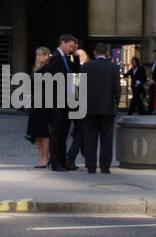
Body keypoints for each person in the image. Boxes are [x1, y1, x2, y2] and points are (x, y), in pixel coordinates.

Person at [82, 44, 121, 174]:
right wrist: (115, 103)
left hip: (89, 108)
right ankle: (105, 166)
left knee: (90, 138)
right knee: (106, 139)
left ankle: (91, 166)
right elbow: (117, 89)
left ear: (94, 52)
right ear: (107, 53)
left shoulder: (86, 66)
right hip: (108, 109)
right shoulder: (113, 67)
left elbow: (78, 87)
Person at [45, 33, 80, 170]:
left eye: (74, 47)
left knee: (64, 132)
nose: (72, 49)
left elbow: (77, 73)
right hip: (58, 101)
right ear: (63, 43)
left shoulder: (66, 58)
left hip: (66, 102)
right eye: (71, 46)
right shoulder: (55, 58)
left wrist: (76, 56)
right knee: (57, 133)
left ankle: (62, 160)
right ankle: (55, 162)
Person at [25, 47, 52, 168]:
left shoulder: (48, 69)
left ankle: (45, 157)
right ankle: (41, 157)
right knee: (37, 133)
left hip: (45, 104)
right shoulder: (37, 69)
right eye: (36, 55)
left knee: (44, 133)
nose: (37, 57)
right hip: (36, 104)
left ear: (46, 56)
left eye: (40, 55)